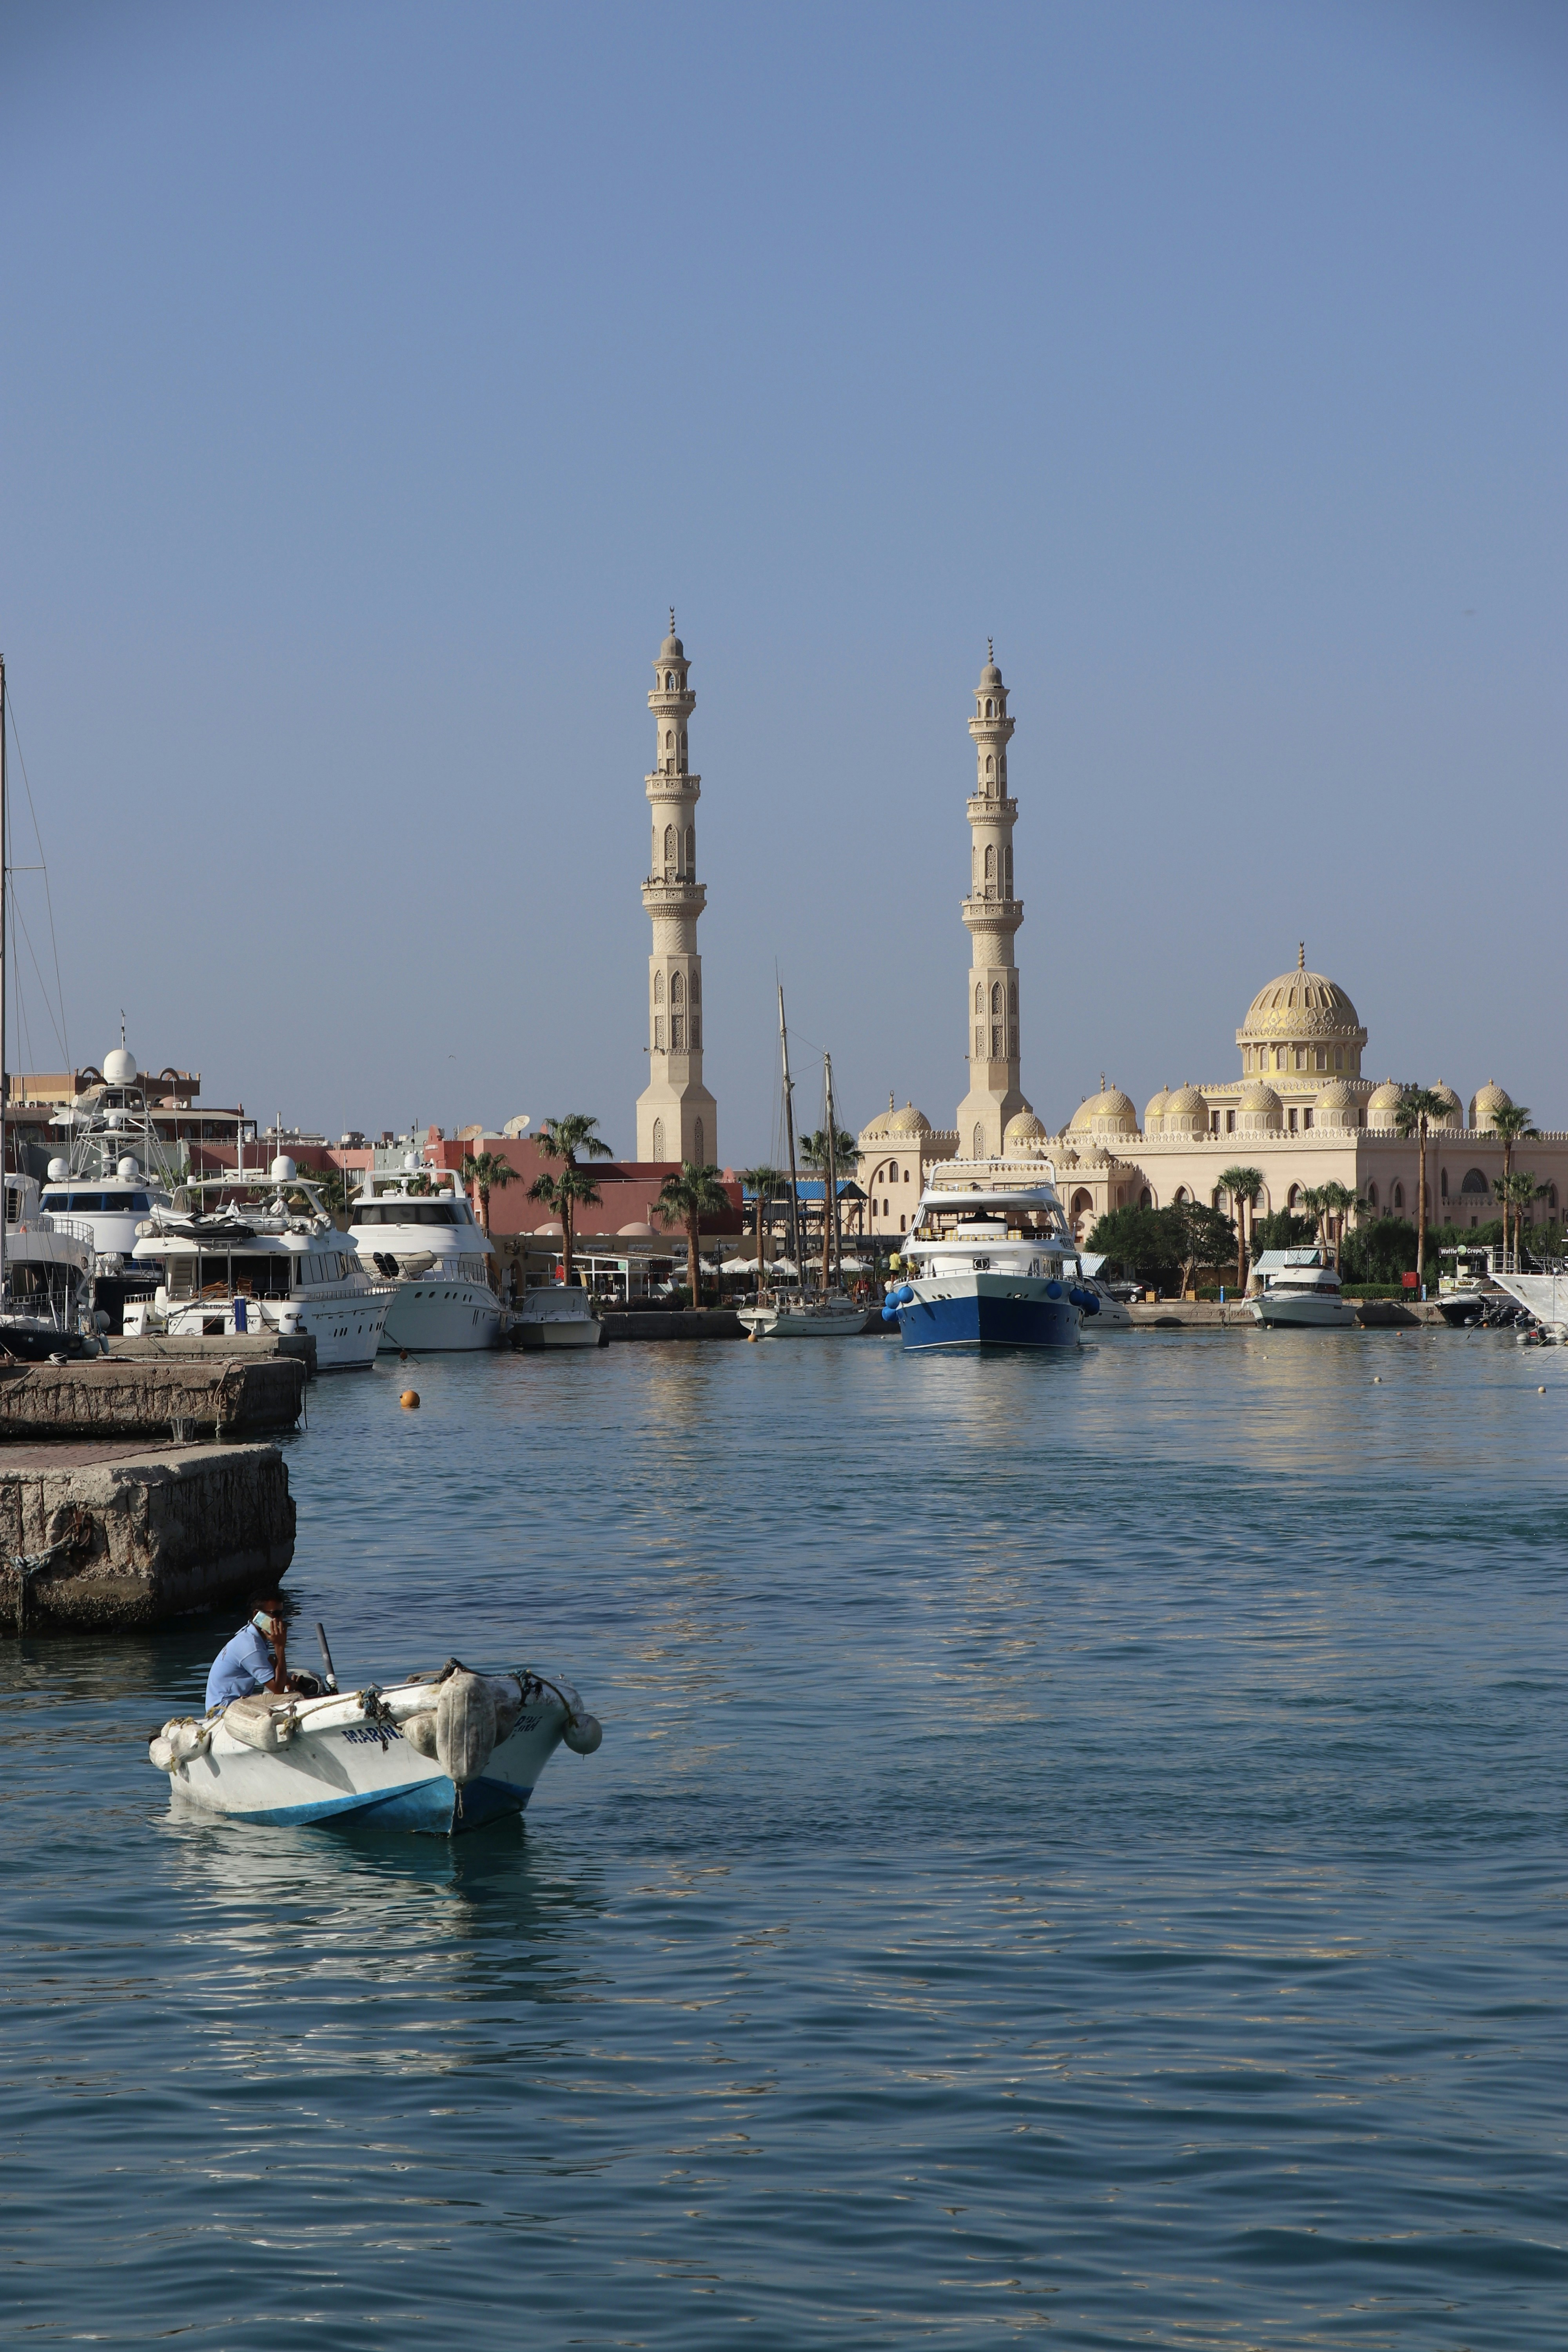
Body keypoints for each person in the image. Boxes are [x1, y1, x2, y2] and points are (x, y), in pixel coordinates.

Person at [205, 1589, 295, 1712]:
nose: (280, 1620)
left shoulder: (251, 1635)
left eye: (282, 1613)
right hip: (223, 1709)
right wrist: (280, 1646)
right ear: (257, 1615)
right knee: (294, 1698)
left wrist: (292, 1683)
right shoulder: (250, 1646)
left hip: (232, 1702)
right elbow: (278, 1690)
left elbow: (271, 1665)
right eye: (276, 1614)